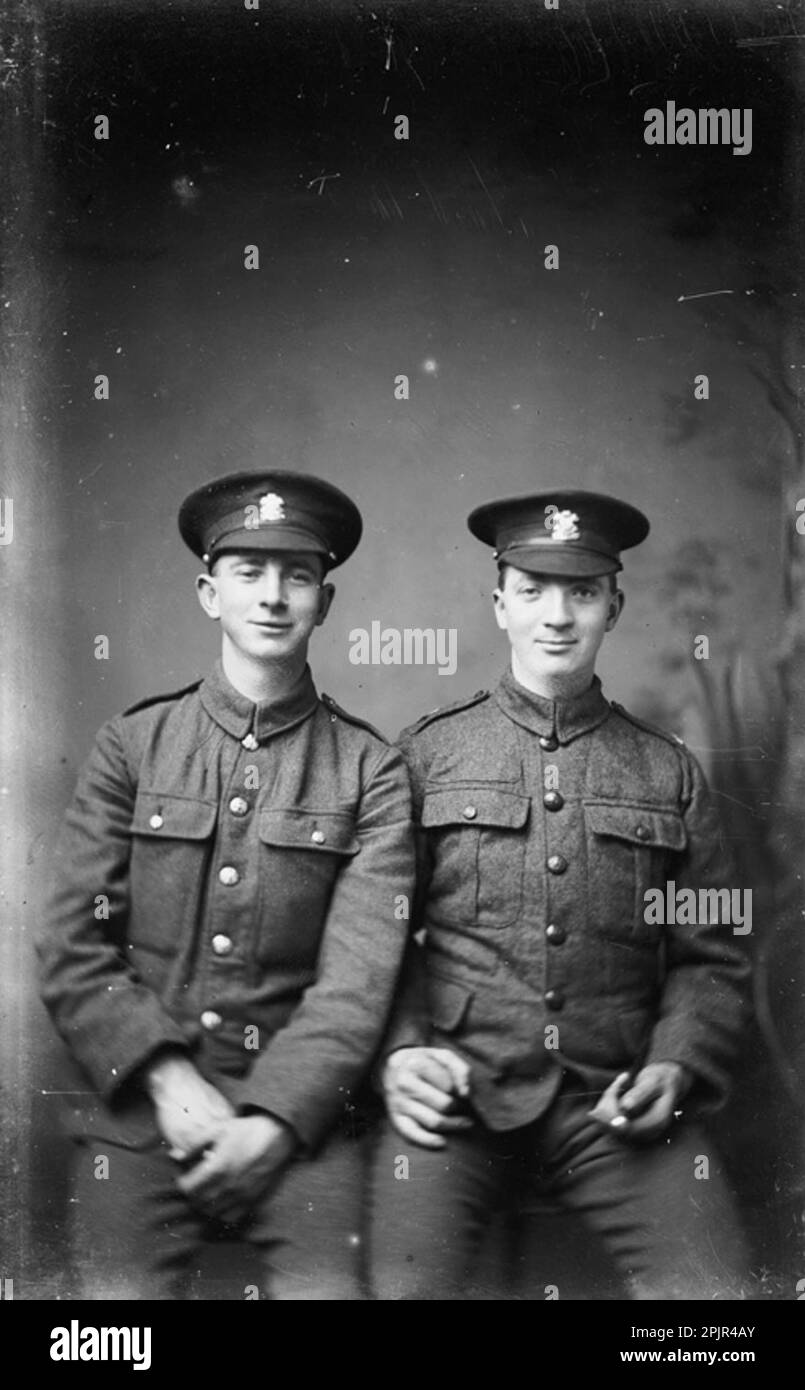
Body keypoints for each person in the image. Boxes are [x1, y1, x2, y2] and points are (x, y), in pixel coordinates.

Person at [37, 470, 414, 1300]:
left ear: (327, 599)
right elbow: (72, 943)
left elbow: (357, 982)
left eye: (298, 575)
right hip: (137, 1117)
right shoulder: (132, 747)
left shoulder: (371, 770)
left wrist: (273, 1121)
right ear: (210, 593)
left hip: (303, 1131)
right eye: (249, 572)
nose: (274, 596)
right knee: (106, 1333)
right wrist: (169, 1084)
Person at [370, 489, 752, 1301]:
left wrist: (677, 1064)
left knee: (716, 1314)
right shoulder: (426, 755)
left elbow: (710, 952)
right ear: (499, 601)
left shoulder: (666, 769)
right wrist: (404, 1049)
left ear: (613, 606)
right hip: (457, 1105)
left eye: (581, 592)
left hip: (613, 1105)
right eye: (534, 590)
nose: (556, 615)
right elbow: (374, 933)